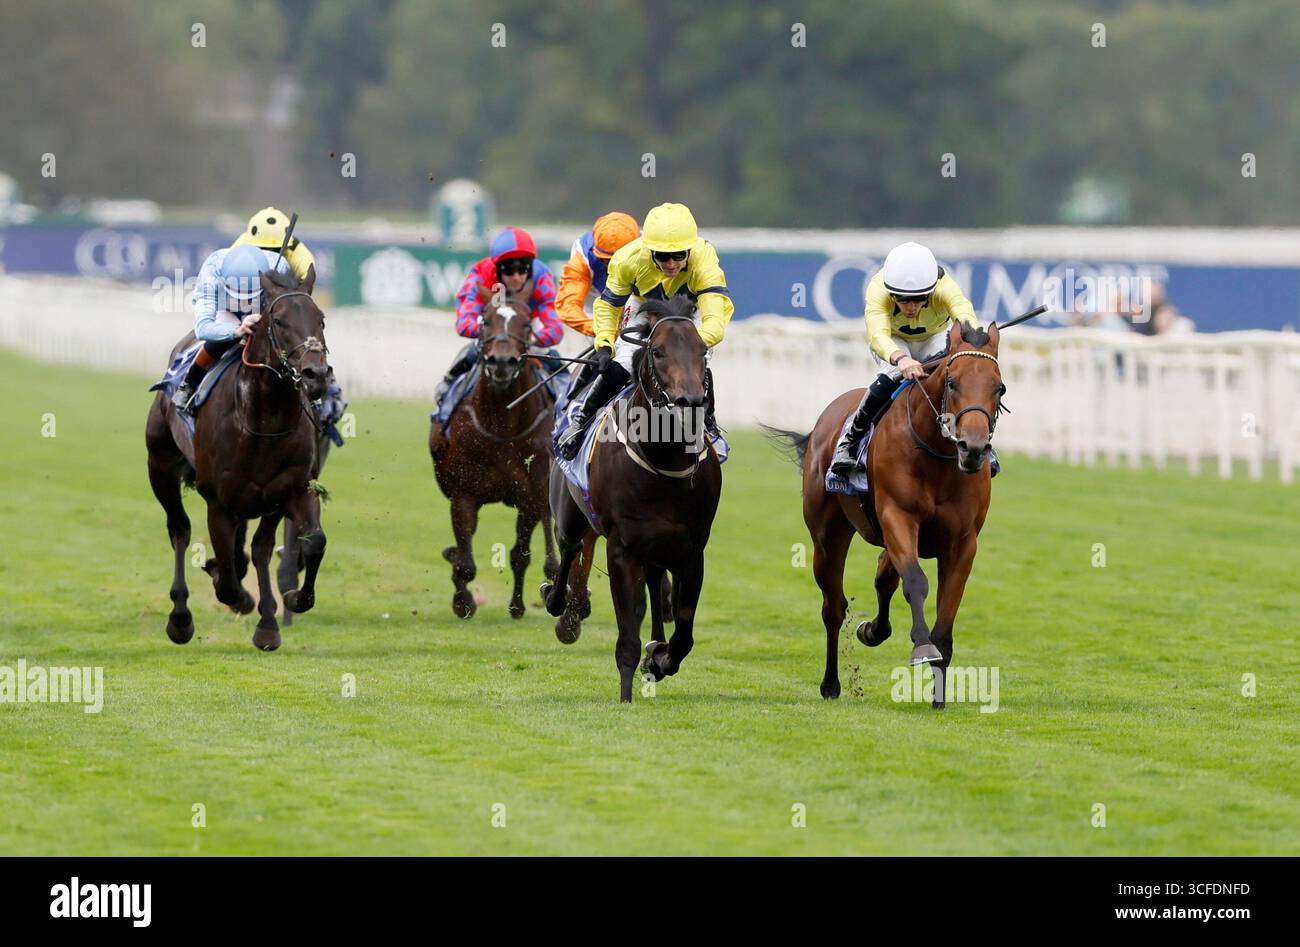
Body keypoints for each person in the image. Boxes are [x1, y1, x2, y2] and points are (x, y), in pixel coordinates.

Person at [554, 202, 731, 460]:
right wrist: (604, 344)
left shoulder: (705, 258)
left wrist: (686, 348)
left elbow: (715, 315)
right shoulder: (628, 259)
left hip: (686, 306)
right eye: (662, 256)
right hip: (642, 303)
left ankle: (708, 425)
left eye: (679, 255)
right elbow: (608, 306)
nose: (671, 263)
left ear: (690, 250)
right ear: (648, 250)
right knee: (622, 363)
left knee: (695, 363)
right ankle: (579, 423)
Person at [829, 241, 981, 476]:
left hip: (935, 337)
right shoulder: (878, 289)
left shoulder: (944, 286)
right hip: (894, 340)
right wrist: (901, 359)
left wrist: (971, 333)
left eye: (919, 299)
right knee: (890, 377)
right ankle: (849, 441)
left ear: (930, 292)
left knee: (952, 379)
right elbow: (878, 334)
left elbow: (964, 312)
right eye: (901, 299)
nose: (910, 307)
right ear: (891, 293)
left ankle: (972, 441)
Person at [172, 207, 316, 412]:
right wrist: (236, 330)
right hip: (227, 310)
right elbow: (203, 328)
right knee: (223, 339)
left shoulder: (283, 265)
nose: (245, 304)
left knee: (297, 335)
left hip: (266, 306)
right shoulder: (214, 270)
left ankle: (320, 389)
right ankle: (190, 383)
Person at [433, 226, 564, 403]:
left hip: (526, 326)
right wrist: (488, 331)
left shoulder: (541, 277)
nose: (517, 277)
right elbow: (464, 323)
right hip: (492, 325)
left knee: (547, 353)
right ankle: (447, 393)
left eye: (523, 269)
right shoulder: (480, 274)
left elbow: (555, 328)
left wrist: (531, 339)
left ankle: (566, 400)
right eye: (509, 270)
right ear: (497, 268)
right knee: (474, 350)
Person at [555, 211, 640, 392]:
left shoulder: (651, 251)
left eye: (620, 260)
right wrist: (603, 331)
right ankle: (577, 409)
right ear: (595, 249)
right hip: (600, 313)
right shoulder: (583, 257)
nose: (613, 267)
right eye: (606, 261)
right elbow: (568, 307)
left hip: (639, 310)